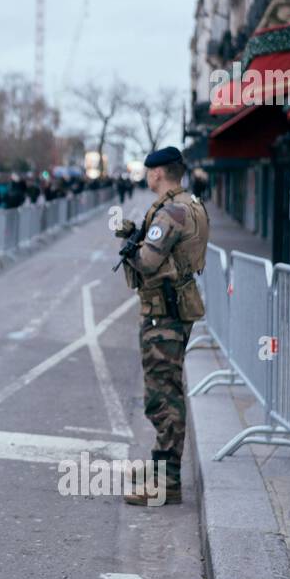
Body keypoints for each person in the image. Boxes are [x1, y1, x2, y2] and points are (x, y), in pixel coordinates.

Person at [115, 146, 209, 506]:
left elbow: (148, 262)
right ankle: (160, 463)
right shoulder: (191, 203)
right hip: (176, 308)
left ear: (158, 173)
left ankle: (167, 481)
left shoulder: (170, 211)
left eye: (148, 171)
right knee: (165, 388)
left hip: (164, 313)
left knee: (162, 395)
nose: (146, 175)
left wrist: (130, 245)